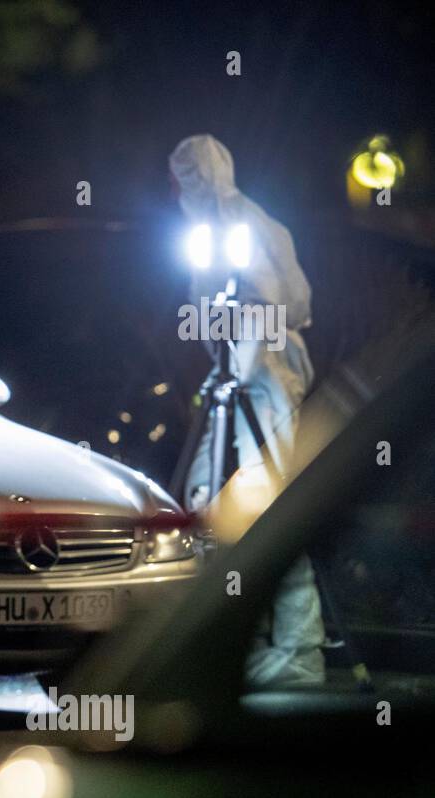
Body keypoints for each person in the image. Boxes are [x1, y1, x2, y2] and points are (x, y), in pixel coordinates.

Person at [170, 134, 325, 687]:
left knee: (274, 503)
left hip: (268, 374)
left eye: (186, 176)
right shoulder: (210, 229)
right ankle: (237, 635)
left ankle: (300, 650)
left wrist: (242, 360)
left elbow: (284, 304)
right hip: (242, 371)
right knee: (208, 503)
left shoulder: (248, 225)